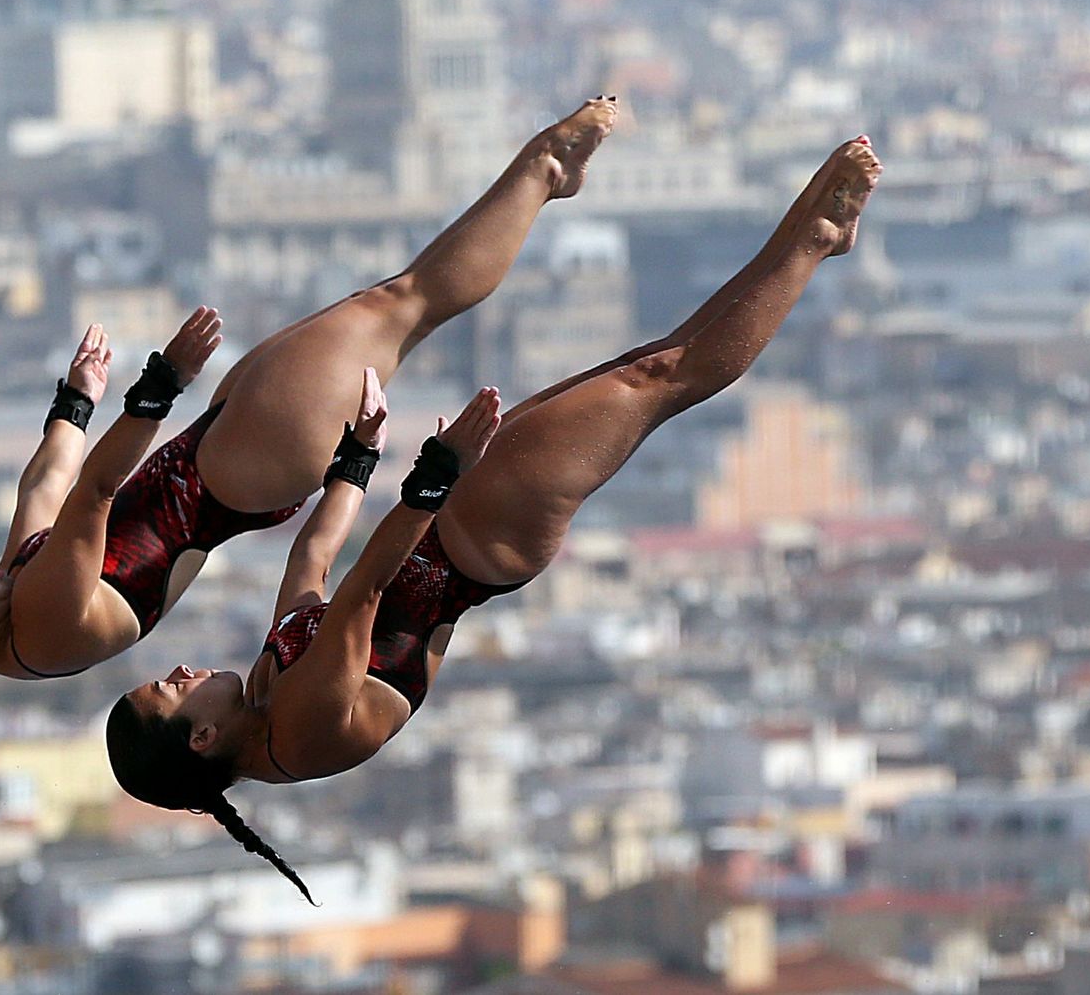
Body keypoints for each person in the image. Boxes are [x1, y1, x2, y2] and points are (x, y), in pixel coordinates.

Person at [106, 137, 885, 902]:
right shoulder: (297, 735)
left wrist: (355, 462)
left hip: (452, 523)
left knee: (648, 364)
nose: (179, 671)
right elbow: (362, 596)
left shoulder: (268, 705)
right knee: (658, 380)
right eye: (170, 693)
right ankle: (814, 240)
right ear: (201, 740)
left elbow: (310, 573)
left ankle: (814, 237)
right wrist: (433, 477)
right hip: (477, 543)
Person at [0, 98, 622, 734]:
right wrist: (157, 386)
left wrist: (76, 400)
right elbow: (91, 498)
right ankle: (545, 171)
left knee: (395, 303)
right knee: (406, 303)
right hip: (240, 462)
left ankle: (545, 180)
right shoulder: (42, 627)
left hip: (229, 450)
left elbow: (44, 490)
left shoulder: (12, 608)